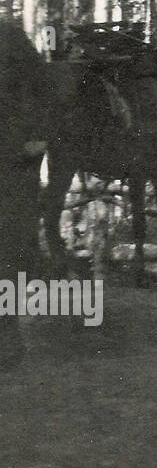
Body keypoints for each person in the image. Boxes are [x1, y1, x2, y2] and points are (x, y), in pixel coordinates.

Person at [0, 20, 52, 369]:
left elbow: (45, 87)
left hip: (12, 162)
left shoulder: (10, 35)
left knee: (9, 249)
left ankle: (8, 340)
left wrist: (37, 139)